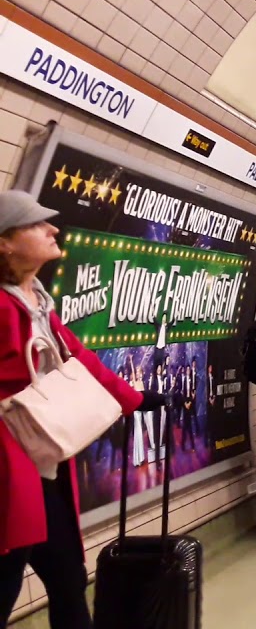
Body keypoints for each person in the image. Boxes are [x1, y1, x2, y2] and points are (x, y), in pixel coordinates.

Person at [0, 190, 167, 628]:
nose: (52, 229)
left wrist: (134, 399)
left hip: (44, 463)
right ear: (5, 242)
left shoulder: (37, 302)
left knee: (68, 579)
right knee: (4, 584)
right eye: (36, 224)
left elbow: (79, 359)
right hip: (9, 470)